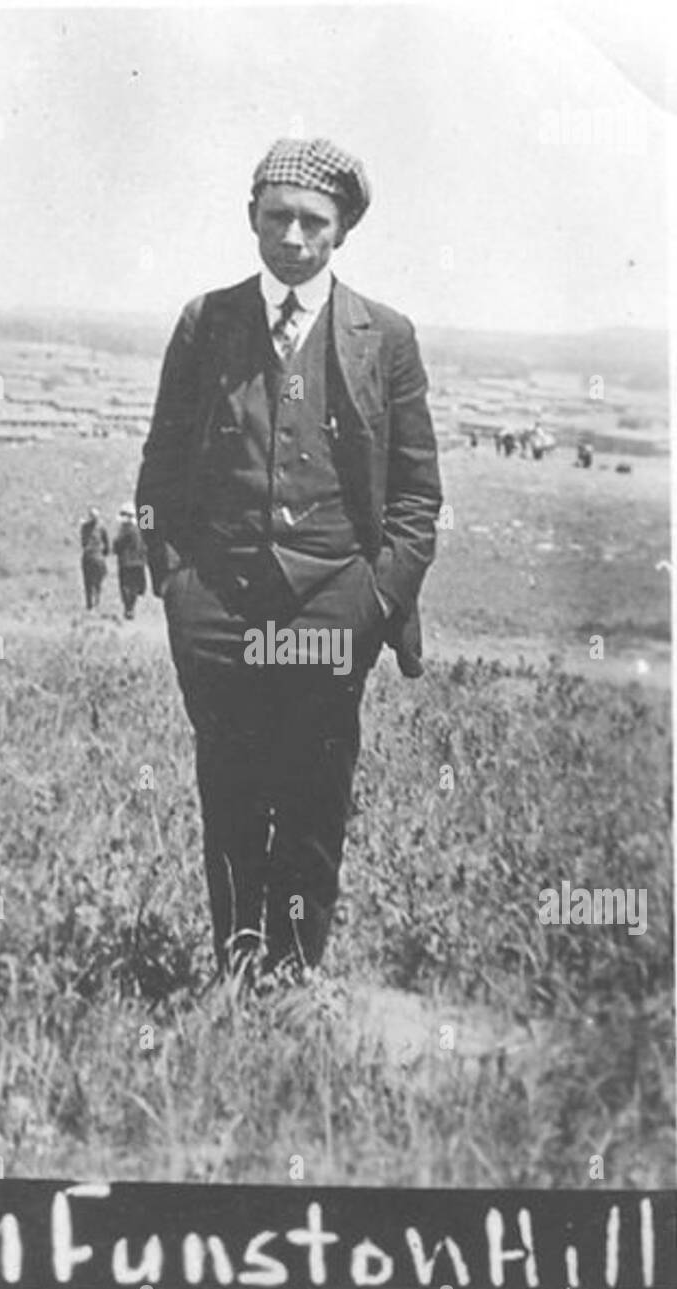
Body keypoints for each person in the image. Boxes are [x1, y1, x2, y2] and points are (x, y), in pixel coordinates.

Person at [136, 136, 442, 981]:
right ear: (252, 219)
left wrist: (376, 602)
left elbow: (417, 495)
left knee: (312, 800)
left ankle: (292, 976)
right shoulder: (207, 324)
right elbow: (159, 471)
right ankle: (234, 969)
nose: (295, 238)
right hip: (220, 612)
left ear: (341, 231)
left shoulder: (384, 337)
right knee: (229, 794)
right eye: (279, 218)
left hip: (332, 611)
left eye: (314, 221)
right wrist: (178, 588)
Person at [112, 503, 147, 619]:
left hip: (126, 562)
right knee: (134, 586)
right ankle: (131, 608)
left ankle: (128, 609)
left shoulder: (125, 530)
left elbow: (117, 545)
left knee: (126, 586)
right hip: (138, 562)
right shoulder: (141, 529)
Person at [80, 505, 109, 610]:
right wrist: (105, 553)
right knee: (97, 582)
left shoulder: (84, 527)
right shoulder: (101, 527)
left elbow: (83, 542)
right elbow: (106, 543)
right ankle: (96, 601)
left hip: (88, 556)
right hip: (98, 557)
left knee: (88, 581)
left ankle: (90, 603)